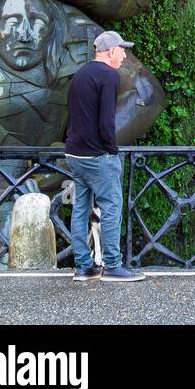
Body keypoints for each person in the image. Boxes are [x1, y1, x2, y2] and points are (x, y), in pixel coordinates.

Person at [64, 30, 146, 282]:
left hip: (74, 153)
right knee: (111, 208)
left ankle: (83, 266)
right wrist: (112, 149)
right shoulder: (109, 76)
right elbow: (106, 121)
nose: (123, 55)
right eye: (121, 50)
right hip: (97, 155)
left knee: (80, 208)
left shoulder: (79, 75)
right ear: (110, 51)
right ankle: (112, 265)